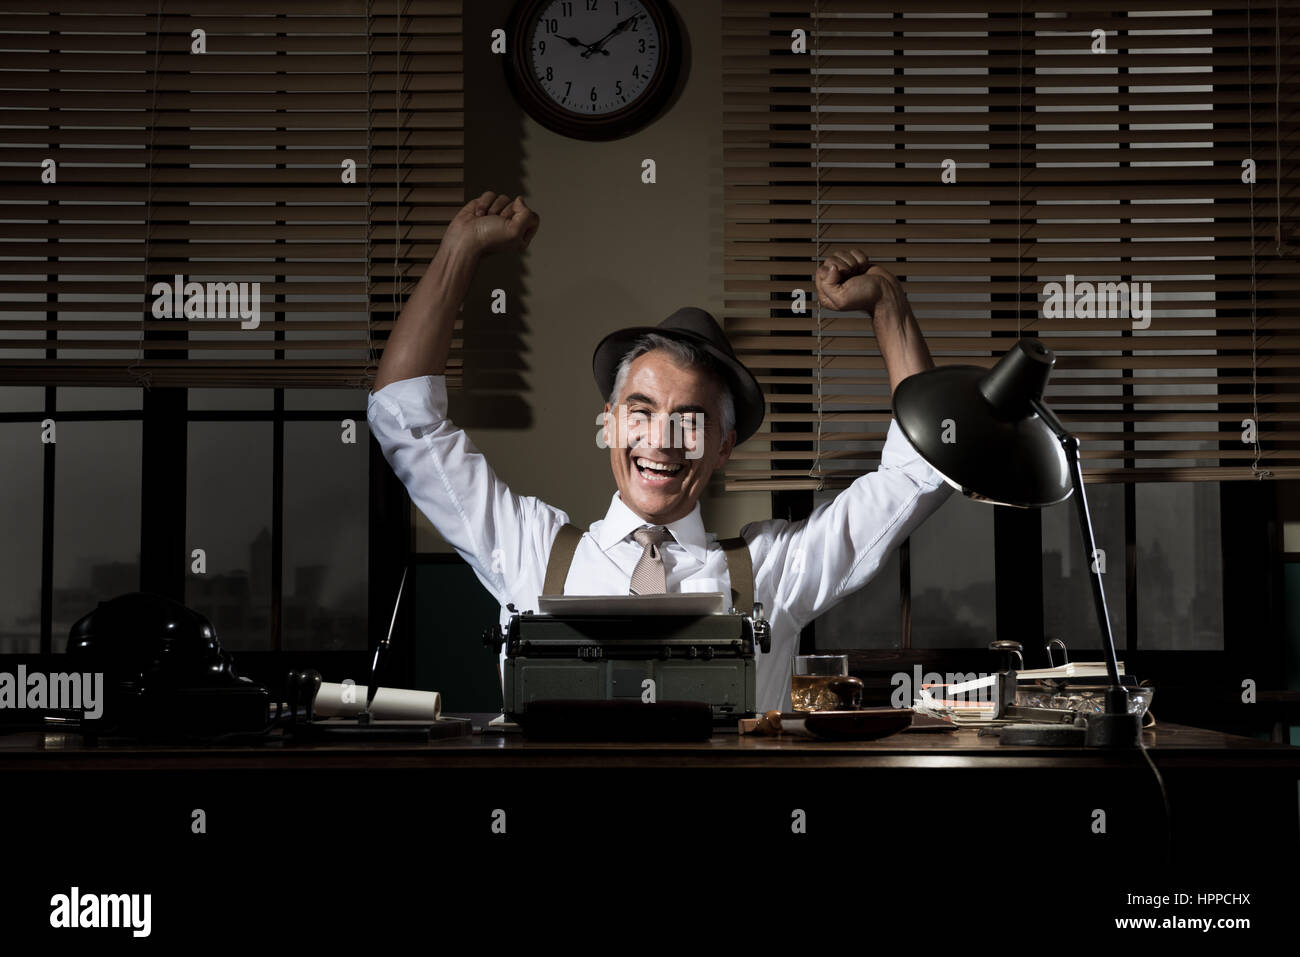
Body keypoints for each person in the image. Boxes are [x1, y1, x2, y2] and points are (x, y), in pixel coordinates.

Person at [367, 190, 953, 712]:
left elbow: (919, 473)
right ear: (610, 423)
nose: (661, 441)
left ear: (723, 447)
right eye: (641, 412)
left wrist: (887, 305)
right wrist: (458, 251)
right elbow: (404, 421)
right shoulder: (529, 550)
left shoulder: (776, 570)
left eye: (690, 421)